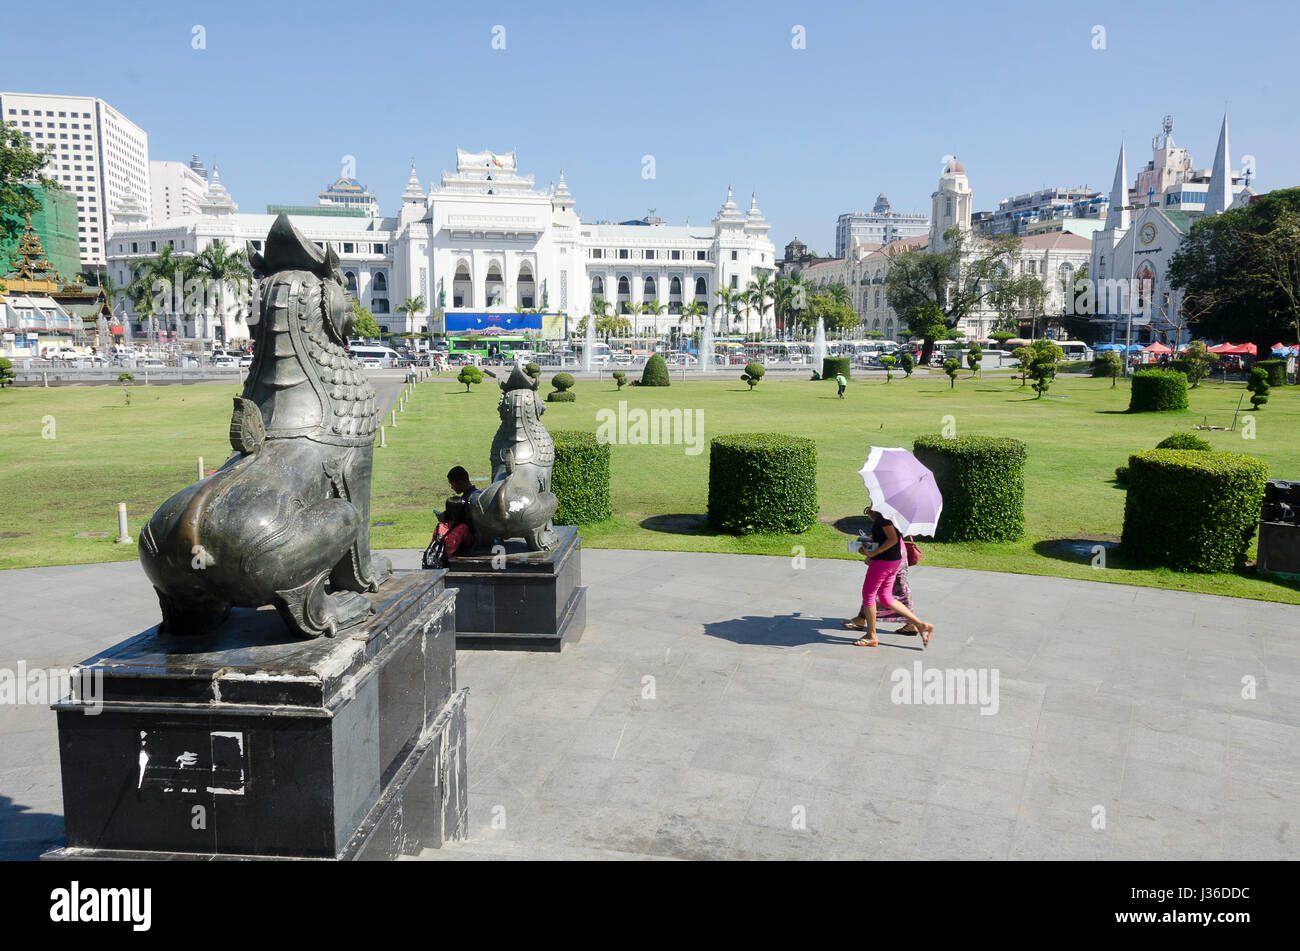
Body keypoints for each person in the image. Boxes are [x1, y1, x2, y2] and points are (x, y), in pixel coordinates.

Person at [843, 505, 933, 647]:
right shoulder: (888, 514)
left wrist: (874, 553)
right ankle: (920, 625)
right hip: (892, 561)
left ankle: (871, 635)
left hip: (883, 562)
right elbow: (887, 536)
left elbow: (892, 539)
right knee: (885, 597)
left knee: (868, 594)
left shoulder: (885, 517)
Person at [429, 466, 478, 562]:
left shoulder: (466, 500)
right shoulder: (472, 495)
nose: (451, 487)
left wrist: (446, 519)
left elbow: (461, 521)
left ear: (460, 482)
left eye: (452, 484)